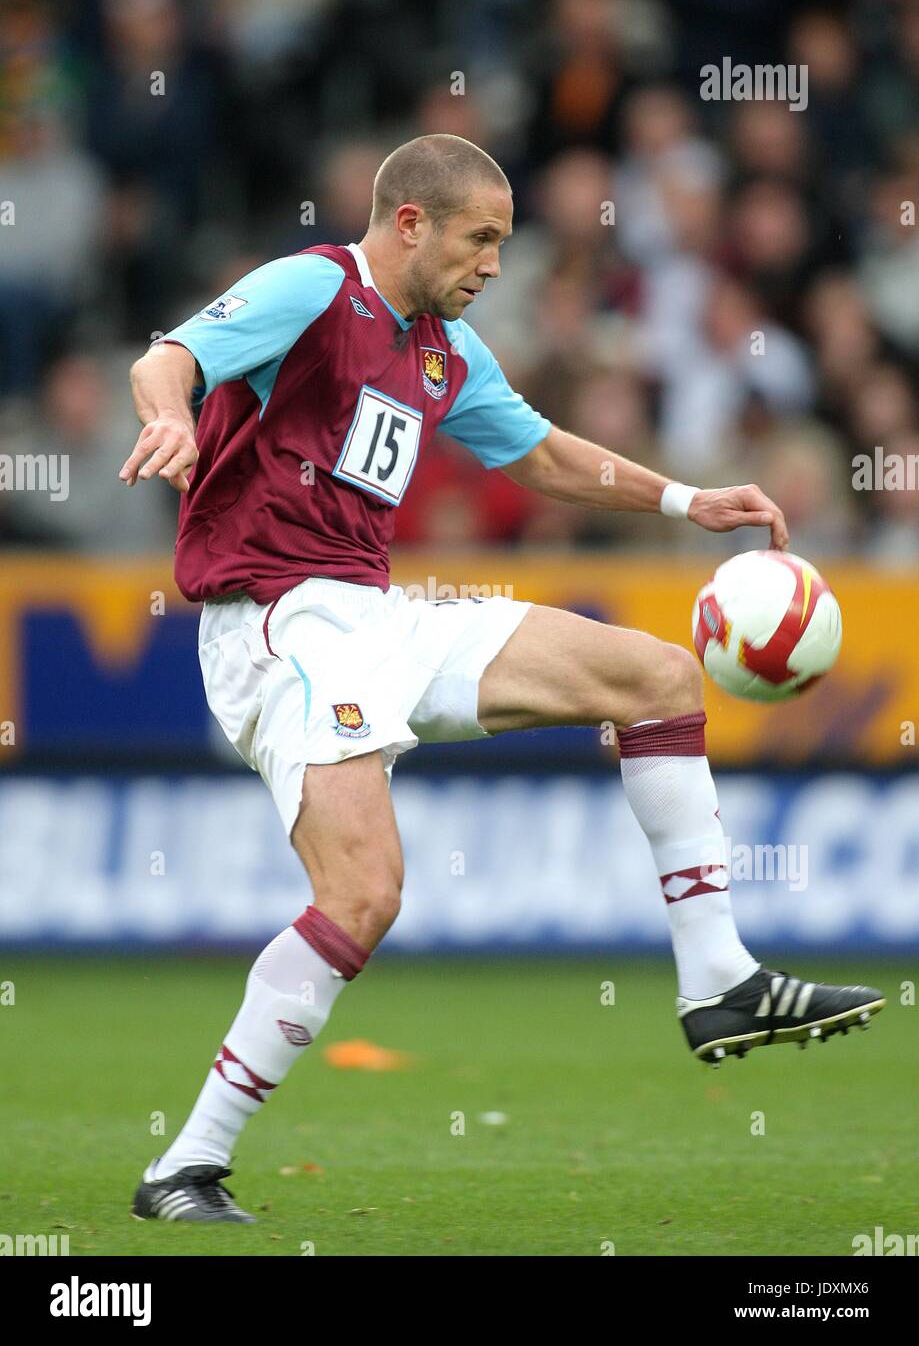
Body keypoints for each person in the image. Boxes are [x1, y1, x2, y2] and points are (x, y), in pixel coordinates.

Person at [120, 134, 884, 1225]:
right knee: (364, 894)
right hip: (277, 624)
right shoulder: (312, 286)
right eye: (481, 239)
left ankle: (718, 979)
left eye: (504, 243)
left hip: (376, 613)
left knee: (657, 675)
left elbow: (540, 454)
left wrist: (687, 501)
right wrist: (164, 415)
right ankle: (183, 1166)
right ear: (412, 222)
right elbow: (169, 357)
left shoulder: (443, 352)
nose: (493, 263)